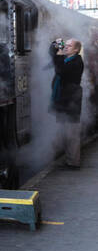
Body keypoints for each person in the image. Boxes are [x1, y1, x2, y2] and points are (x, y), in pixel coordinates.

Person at [50, 37, 84, 168]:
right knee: (65, 132)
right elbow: (52, 53)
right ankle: (68, 159)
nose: (66, 47)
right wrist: (57, 43)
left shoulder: (76, 62)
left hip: (71, 101)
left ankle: (73, 163)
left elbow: (61, 71)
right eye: (66, 45)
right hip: (65, 101)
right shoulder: (68, 59)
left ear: (76, 50)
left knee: (72, 134)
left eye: (69, 46)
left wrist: (59, 53)